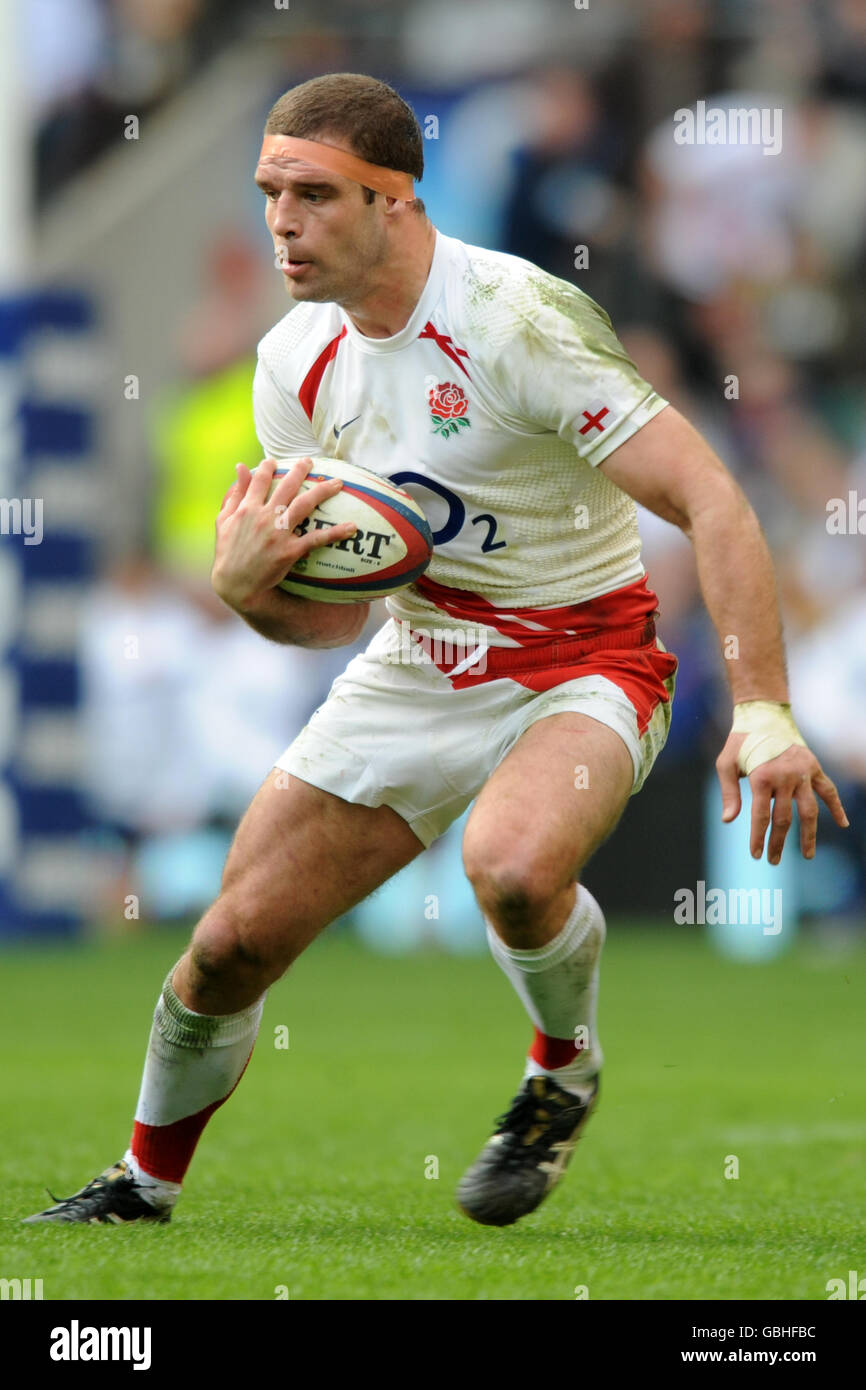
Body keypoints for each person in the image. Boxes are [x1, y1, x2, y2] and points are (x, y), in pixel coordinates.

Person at [26, 73, 848, 1229]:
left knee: (510, 869)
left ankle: (559, 1072)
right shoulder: (291, 366)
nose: (282, 222)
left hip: (587, 652)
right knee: (227, 944)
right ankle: (142, 1181)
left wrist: (761, 709)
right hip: (421, 657)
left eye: (314, 194)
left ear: (396, 199)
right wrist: (249, 590)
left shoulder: (515, 321)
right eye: (270, 193)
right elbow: (336, 613)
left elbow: (711, 497)